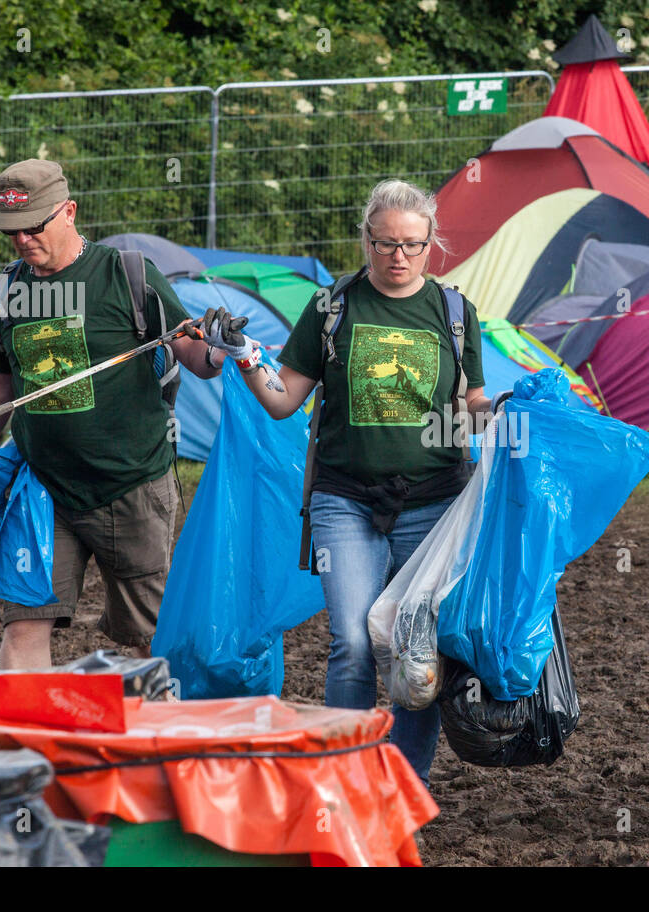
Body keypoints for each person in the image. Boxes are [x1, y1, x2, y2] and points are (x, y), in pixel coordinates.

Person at [200, 179, 493, 787]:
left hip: (434, 503)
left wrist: (507, 416)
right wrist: (245, 357)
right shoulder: (331, 307)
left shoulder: (455, 312)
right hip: (344, 501)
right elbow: (284, 403)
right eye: (385, 243)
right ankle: (345, 783)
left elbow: (472, 403)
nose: (398, 257)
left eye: (412, 245)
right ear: (366, 239)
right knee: (355, 644)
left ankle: (405, 787)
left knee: (417, 652)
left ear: (431, 244)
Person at [0, 160, 220, 670]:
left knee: (147, 636)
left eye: (34, 227)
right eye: (11, 231)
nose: (22, 240)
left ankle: (164, 739)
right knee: (24, 622)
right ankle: (26, 744)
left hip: (130, 486)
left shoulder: (127, 275)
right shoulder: (7, 290)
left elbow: (198, 358)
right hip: (41, 488)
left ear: (69, 212)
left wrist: (222, 346)